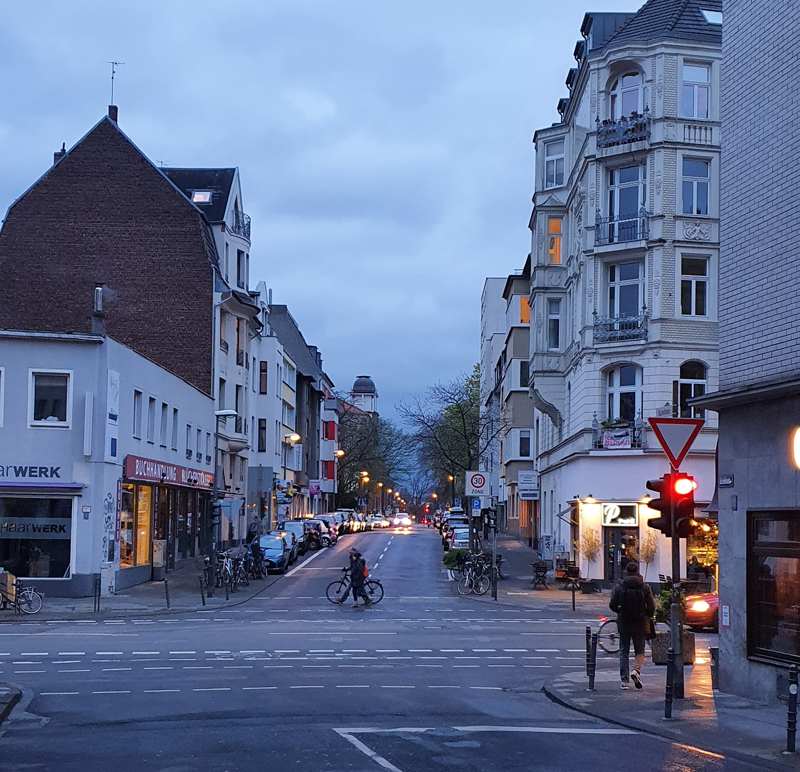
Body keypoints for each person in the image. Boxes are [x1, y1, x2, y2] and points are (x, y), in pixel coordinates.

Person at [609, 561, 655, 690]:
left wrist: (620, 611)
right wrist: (647, 616)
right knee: (639, 650)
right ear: (637, 571)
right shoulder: (645, 587)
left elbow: (612, 605)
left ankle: (624, 681)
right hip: (640, 623)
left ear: (626, 572)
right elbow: (652, 605)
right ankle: (636, 671)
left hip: (624, 622)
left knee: (624, 651)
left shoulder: (620, 587)